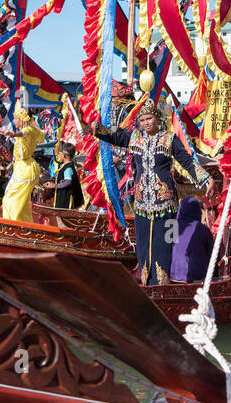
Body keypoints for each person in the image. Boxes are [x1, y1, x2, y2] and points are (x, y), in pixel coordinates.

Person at [94, 96, 211, 285]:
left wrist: (206, 178)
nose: (146, 123)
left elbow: (187, 161)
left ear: (157, 118)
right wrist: (96, 128)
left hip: (166, 205)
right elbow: (113, 136)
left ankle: (165, 281)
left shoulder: (169, 138)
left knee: (166, 242)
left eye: (149, 118)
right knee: (143, 243)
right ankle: (147, 282)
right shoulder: (134, 137)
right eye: (142, 120)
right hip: (141, 205)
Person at [1, 107, 42, 222]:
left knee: (11, 201)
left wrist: (12, 134)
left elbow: (22, 133)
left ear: (22, 119)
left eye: (15, 118)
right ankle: (23, 223)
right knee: (18, 201)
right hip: (20, 168)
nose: (13, 121)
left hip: (26, 170)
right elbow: (41, 134)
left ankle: (15, 225)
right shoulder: (33, 130)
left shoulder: (28, 130)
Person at [171, 196, 215, 283]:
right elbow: (212, 255)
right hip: (195, 280)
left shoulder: (171, 228)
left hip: (173, 278)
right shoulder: (203, 230)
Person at [44, 141, 84, 209]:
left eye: (60, 153)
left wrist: (54, 186)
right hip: (62, 199)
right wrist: (52, 184)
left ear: (64, 155)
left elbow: (67, 182)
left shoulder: (68, 168)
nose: (58, 155)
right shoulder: (64, 166)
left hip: (67, 201)